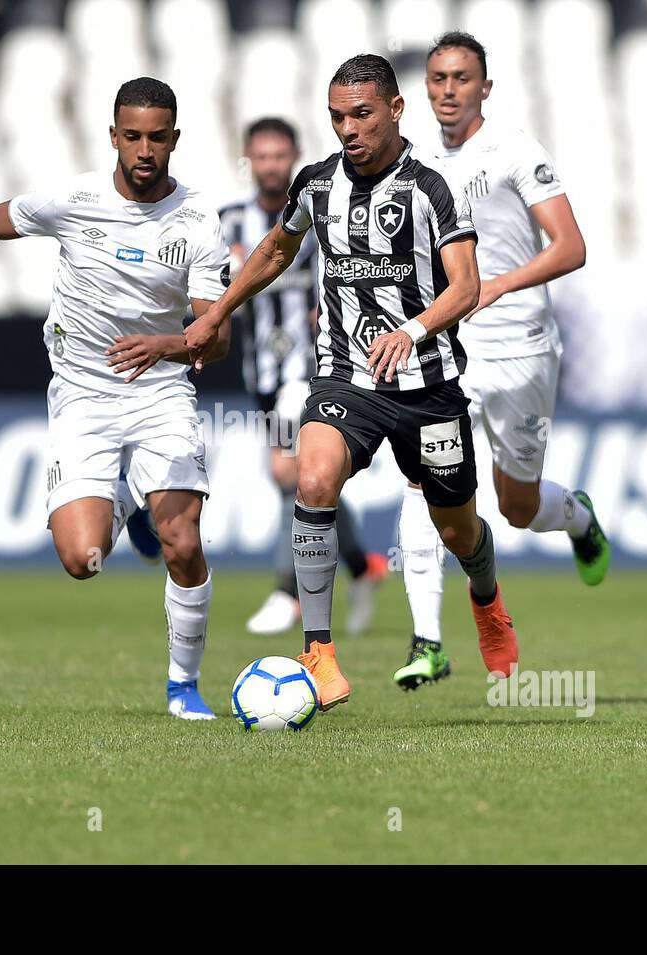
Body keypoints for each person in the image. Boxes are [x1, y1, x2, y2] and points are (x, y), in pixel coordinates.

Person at [184, 54, 519, 711]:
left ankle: (488, 603)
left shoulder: (433, 187)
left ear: (395, 110)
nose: (348, 128)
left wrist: (414, 330)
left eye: (361, 114)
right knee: (310, 480)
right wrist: (221, 310)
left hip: (428, 384)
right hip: (346, 375)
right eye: (337, 116)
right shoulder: (315, 185)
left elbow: (467, 286)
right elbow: (278, 249)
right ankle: (320, 653)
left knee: (458, 530)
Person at [0, 78, 230, 720]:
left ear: (175, 139)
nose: (145, 149)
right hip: (84, 395)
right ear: (114, 136)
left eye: (158, 137)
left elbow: (214, 341)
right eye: (132, 136)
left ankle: (183, 686)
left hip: (159, 390)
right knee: (82, 560)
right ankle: (128, 506)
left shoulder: (198, 220)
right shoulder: (75, 199)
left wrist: (166, 346)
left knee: (185, 544)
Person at [392, 32, 608, 692]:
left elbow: (570, 247)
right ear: (423, 89)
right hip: (444, 347)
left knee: (515, 505)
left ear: (485, 87)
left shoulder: (514, 149)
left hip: (520, 347)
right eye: (437, 79)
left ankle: (576, 517)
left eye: (461, 78)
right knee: (424, 484)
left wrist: (498, 284)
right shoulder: (411, 157)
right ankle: (427, 641)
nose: (448, 89)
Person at [218, 117, 387, 637]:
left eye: (278, 156)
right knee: (309, 478)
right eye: (261, 157)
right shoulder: (230, 222)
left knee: (285, 474)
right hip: (263, 373)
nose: (270, 166)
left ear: (293, 158)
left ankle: (286, 593)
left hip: (314, 369)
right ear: (249, 159)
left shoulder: (317, 212)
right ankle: (362, 564)